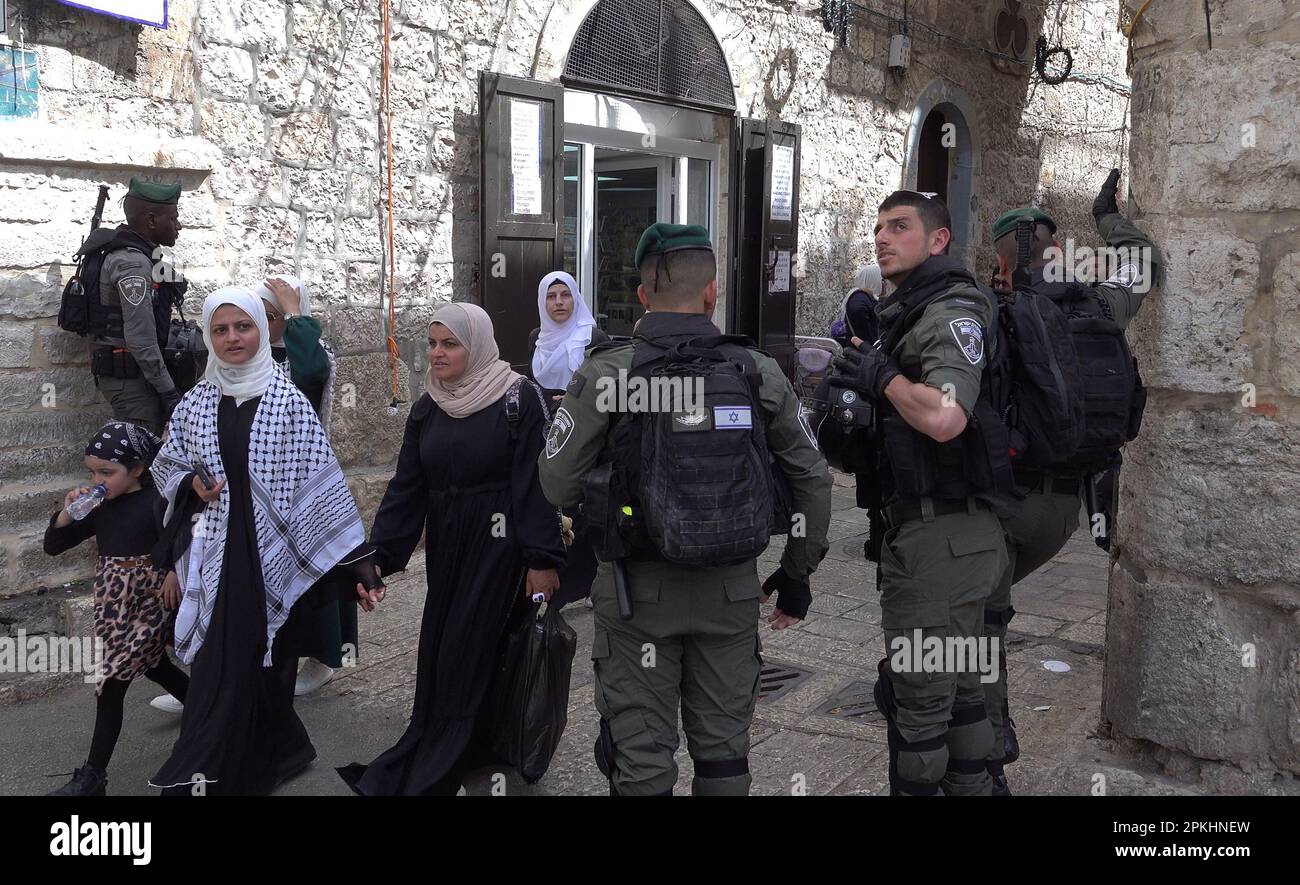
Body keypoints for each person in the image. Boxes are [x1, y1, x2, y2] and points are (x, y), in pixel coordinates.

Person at [538, 223, 832, 796]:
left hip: (635, 596)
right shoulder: (755, 370)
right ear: (712, 292)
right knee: (724, 755)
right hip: (730, 592)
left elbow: (555, 481)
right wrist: (797, 574)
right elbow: (813, 480)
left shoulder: (607, 373)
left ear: (643, 296)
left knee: (642, 756)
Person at [148, 287, 382, 796]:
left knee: (267, 659)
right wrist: (190, 482)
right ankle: (207, 763)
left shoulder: (287, 401)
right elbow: (166, 464)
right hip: (214, 551)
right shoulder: (194, 403)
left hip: (271, 553)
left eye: (243, 326)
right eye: (220, 330)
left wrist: (360, 563)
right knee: (217, 659)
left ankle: (276, 752)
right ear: (210, 337)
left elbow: (322, 483)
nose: (232, 338)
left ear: (261, 328)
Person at [982, 170, 1164, 794]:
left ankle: (989, 741)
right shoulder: (1100, 304)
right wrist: (1107, 216)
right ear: (1059, 253)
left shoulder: (991, 310)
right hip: (1065, 512)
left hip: (1003, 504)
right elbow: (1145, 262)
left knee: (978, 615)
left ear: (1002, 266)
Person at [338, 302, 566, 796]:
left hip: (499, 547)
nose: (437, 354)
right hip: (448, 546)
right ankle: (466, 745)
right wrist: (378, 556)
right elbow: (408, 486)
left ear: (477, 345)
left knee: (468, 648)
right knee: (446, 647)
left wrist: (542, 558)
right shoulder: (430, 405)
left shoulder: (519, 399)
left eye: (450, 344)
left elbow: (537, 484)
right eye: (434, 343)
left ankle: (445, 761)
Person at [832, 191, 1012, 796]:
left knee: (919, 717)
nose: (883, 237)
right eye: (878, 226)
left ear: (938, 240)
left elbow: (945, 418)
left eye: (900, 227)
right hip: (952, 540)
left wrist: (880, 378)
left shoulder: (948, 312)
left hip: (941, 545)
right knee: (960, 698)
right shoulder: (911, 309)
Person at [42, 422, 190, 796]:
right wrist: (66, 515)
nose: (98, 480)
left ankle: (93, 776)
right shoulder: (99, 505)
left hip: (151, 599)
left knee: (111, 682)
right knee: (155, 666)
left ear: (137, 469)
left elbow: (181, 539)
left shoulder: (157, 502)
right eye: (93, 471)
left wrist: (172, 571)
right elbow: (54, 546)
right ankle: (207, 710)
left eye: (107, 472)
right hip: (113, 603)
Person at [527, 271, 608, 608]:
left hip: (585, 429)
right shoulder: (538, 337)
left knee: (584, 505)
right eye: (551, 296)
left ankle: (588, 583)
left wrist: (577, 399)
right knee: (553, 502)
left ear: (576, 299)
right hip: (548, 430)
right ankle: (558, 578)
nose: (559, 303)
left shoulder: (592, 336)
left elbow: (607, 383)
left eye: (565, 295)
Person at [83, 177, 186, 435]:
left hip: (138, 375)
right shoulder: (133, 265)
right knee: (136, 456)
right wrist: (168, 390)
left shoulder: (142, 256)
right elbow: (140, 338)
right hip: (131, 381)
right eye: (172, 219)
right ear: (151, 220)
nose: (179, 225)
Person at [833, 263, 883, 348]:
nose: (883, 283)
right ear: (873, 280)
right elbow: (857, 311)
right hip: (859, 351)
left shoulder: (864, 296)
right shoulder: (859, 297)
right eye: (881, 280)